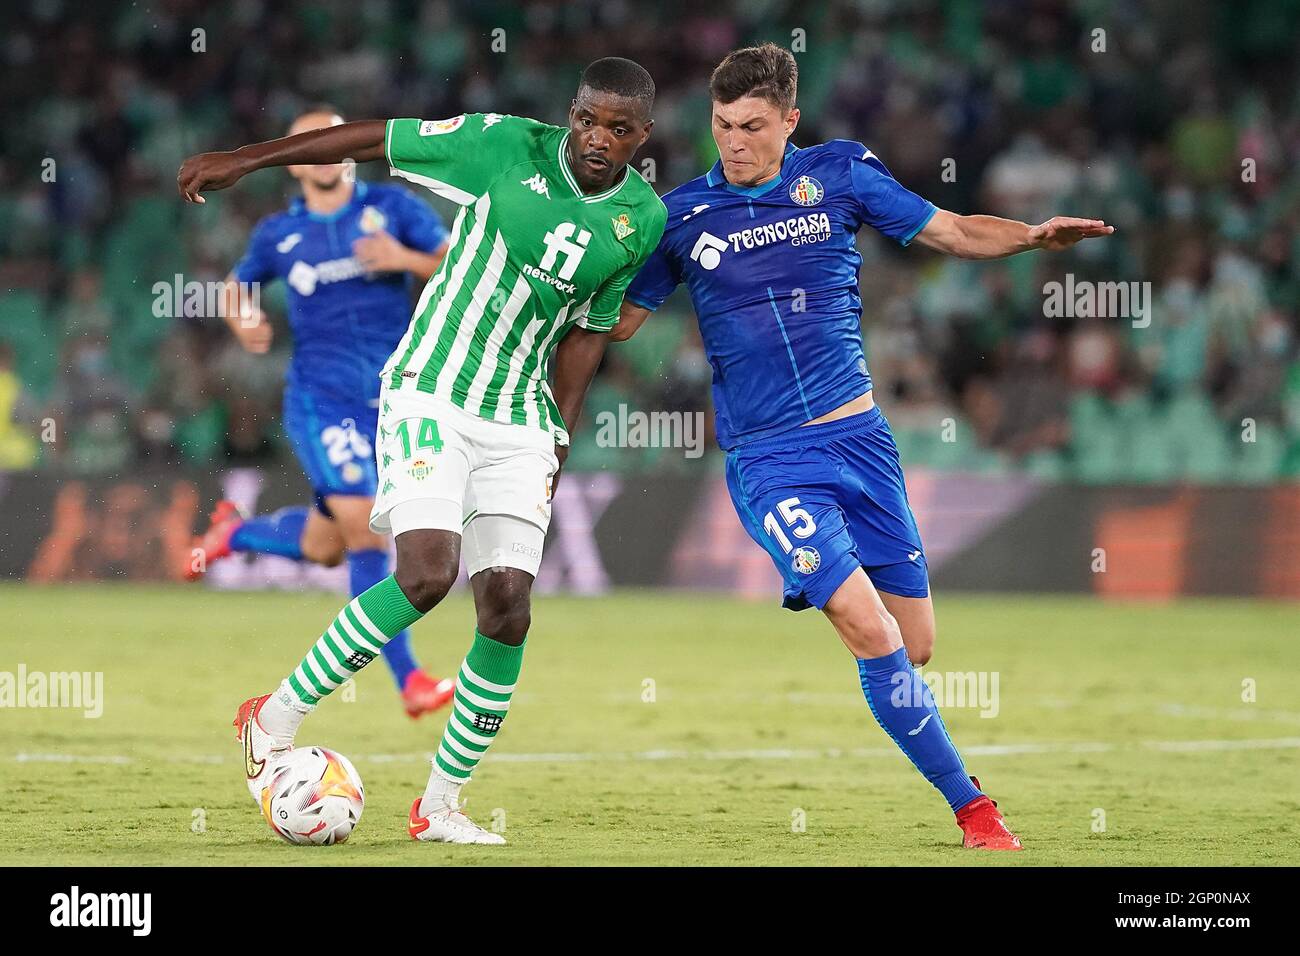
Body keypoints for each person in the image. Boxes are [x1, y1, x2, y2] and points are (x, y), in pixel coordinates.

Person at [614, 43, 1113, 850]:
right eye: (720, 126)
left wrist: (1029, 237)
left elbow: (949, 230)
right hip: (770, 459)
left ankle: (934, 748)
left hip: (861, 443)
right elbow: (623, 321)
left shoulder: (841, 175)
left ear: (790, 122)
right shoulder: (680, 216)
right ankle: (974, 811)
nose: (733, 142)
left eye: (750, 126)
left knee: (914, 645)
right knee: (867, 628)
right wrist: (593, 263)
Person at [178, 58, 667, 844]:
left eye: (618, 128)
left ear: (642, 136)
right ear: (570, 111)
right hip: (431, 387)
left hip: (520, 417)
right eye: (587, 119)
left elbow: (588, 333)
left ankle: (439, 807)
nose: (597, 138)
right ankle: (270, 720)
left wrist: (559, 439)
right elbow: (375, 137)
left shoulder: (642, 219)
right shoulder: (504, 144)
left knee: (507, 609)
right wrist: (248, 157)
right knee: (427, 572)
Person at [187, 107, 456, 719]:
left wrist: (403, 260)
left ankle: (236, 532)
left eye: (330, 139)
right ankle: (410, 678)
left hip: (394, 400)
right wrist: (244, 318)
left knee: (327, 546)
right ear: (292, 160)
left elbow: (457, 265)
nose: (322, 151)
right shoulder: (280, 233)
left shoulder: (392, 209)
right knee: (365, 528)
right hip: (320, 401)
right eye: (307, 143)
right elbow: (235, 286)